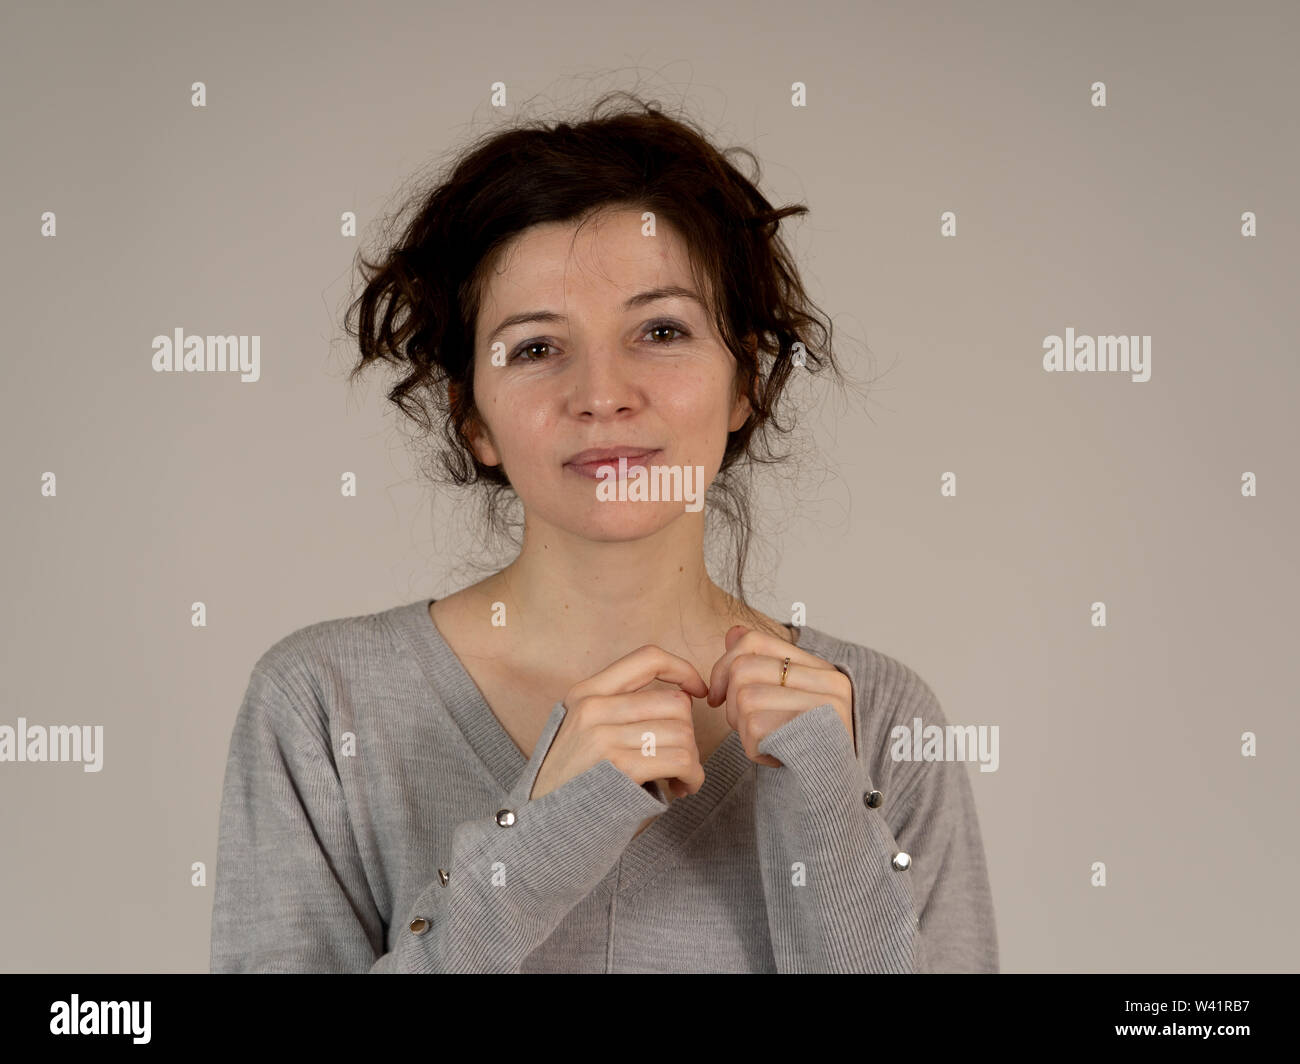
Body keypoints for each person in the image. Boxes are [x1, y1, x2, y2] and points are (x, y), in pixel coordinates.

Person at [210, 91, 998, 973]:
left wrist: (829, 809)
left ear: (746, 386)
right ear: (471, 417)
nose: (602, 393)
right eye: (537, 348)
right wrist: (539, 837)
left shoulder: (881, 720)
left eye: (661, 330)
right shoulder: (321, 705)